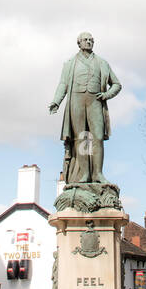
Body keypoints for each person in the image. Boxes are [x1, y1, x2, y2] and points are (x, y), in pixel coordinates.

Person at [49, 32, 122, 184]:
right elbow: (63, 84)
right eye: (85, 40)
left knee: (98, 138)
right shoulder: (70, 63)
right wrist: (56, 101)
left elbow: (117, 84)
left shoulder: (102, 63)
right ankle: (85, 174)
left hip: (95, 101)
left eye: (91, 40)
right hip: (76, 100)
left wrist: (107, 94)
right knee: (81, 138)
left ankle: (98, 174)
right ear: (79, 43)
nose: (88, 42)